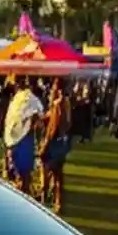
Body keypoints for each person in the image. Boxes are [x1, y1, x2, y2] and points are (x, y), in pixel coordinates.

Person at [3, 82, 44, 196]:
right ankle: (23, 193)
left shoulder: (24, 100)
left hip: (19, 141)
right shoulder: (21, 100)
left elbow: (37, 120)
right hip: (20, 141)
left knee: (21, 174)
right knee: (21, 173)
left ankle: (23, 194)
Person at [41, 81, 72, 214]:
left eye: (53, 89)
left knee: (47, 169)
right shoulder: (66, 103)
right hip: (63, 140)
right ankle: (58, 202)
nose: (50, 92)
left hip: (54, 142)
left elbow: (52, 127)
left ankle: (45, 197)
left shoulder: (58, 105)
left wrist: (45, 144)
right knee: (58, 173)